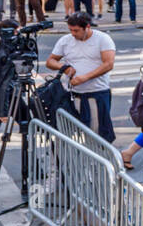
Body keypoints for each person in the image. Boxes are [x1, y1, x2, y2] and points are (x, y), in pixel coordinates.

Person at [44, 13, 116, 142]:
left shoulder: (103, 39)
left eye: (76, 30)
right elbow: (50, 61)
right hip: (74, 94)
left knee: (97, 133)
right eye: (70, 30)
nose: (73, 34)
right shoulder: (65, 41)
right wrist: (64, 68)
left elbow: (108, 64)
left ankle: (98, 159)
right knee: (71, 133)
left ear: (87, 27)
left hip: (96, 92)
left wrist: (85, 77)